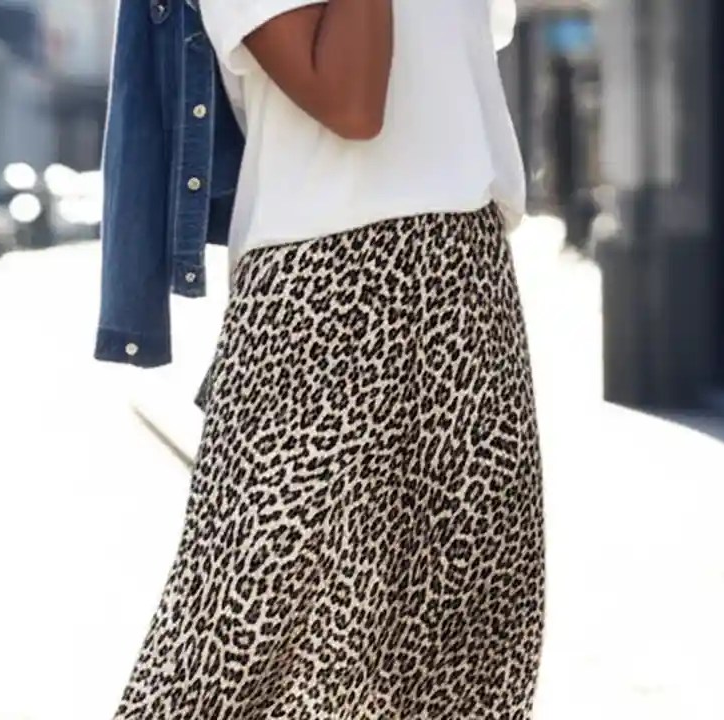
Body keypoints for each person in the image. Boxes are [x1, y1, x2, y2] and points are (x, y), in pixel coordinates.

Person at [112, 0, 545, 717]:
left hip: (470, 285)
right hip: (322, 298)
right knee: (240, 650)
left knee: (467, 663)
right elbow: (351, 101)